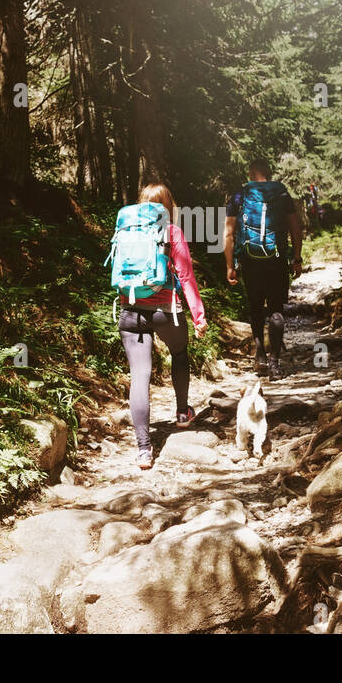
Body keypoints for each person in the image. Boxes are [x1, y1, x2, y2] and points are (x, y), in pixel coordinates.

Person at [118, 183, 208, 470]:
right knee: (179, 354)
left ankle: (144, 449)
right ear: (169, 205)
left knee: (139, 376)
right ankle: (183, 412)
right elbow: (186, 276)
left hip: (131, 310)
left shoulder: (126, 229)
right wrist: (198, 316)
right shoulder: (172, 232)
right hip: (165, 312)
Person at [224, 159, 303, 380]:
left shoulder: (240, 196)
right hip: (276, 257)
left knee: (256, 306)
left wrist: (231, 265)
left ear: (251, 174)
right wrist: (296, 258)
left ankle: (259, 354)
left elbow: (228, 234)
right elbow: (295, 229)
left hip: (249, 259)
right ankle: (275, 363)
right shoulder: (282, 194)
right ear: (269, 174)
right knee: (276, 309)